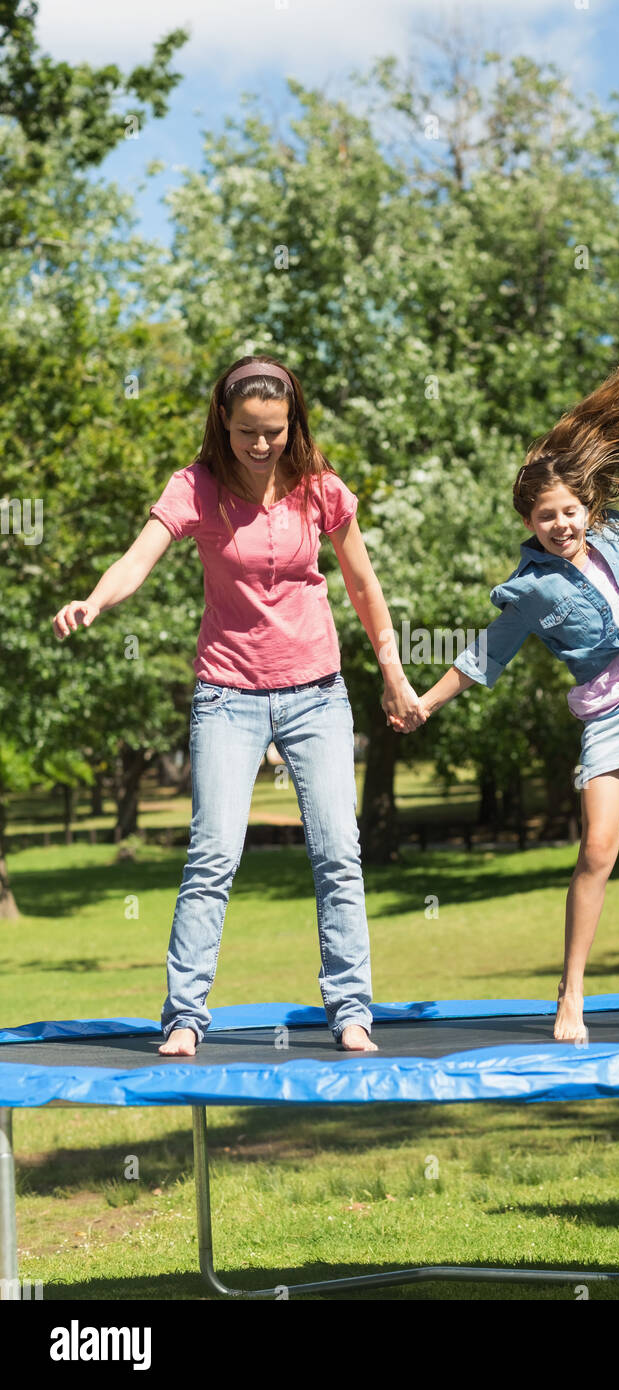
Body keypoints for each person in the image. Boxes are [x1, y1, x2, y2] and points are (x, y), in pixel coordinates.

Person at [52, 355, 424, 1056]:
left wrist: (393, 673)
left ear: (293, 424)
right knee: (213, 854)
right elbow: (139, 557)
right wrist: (94, 601)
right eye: (247, 431)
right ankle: (186, 1016)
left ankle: (351, 1011)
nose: (260, 445)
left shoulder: (321, 491)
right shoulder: (196, 488)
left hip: (316, 693)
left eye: (274, 432)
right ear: (222, 422)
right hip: (227, 694)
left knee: (338, 852)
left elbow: (364, 587)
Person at [395, 336, 619, 1043]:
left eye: (569, 511)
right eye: (546, 517)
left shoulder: (614, 533)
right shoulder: (528, 589)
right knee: (597, 850)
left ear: (585, 505)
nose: (561, 525)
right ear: (529, 523)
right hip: (610, 716)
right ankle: (571, 994)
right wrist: (425, 704)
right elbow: (481, 657)